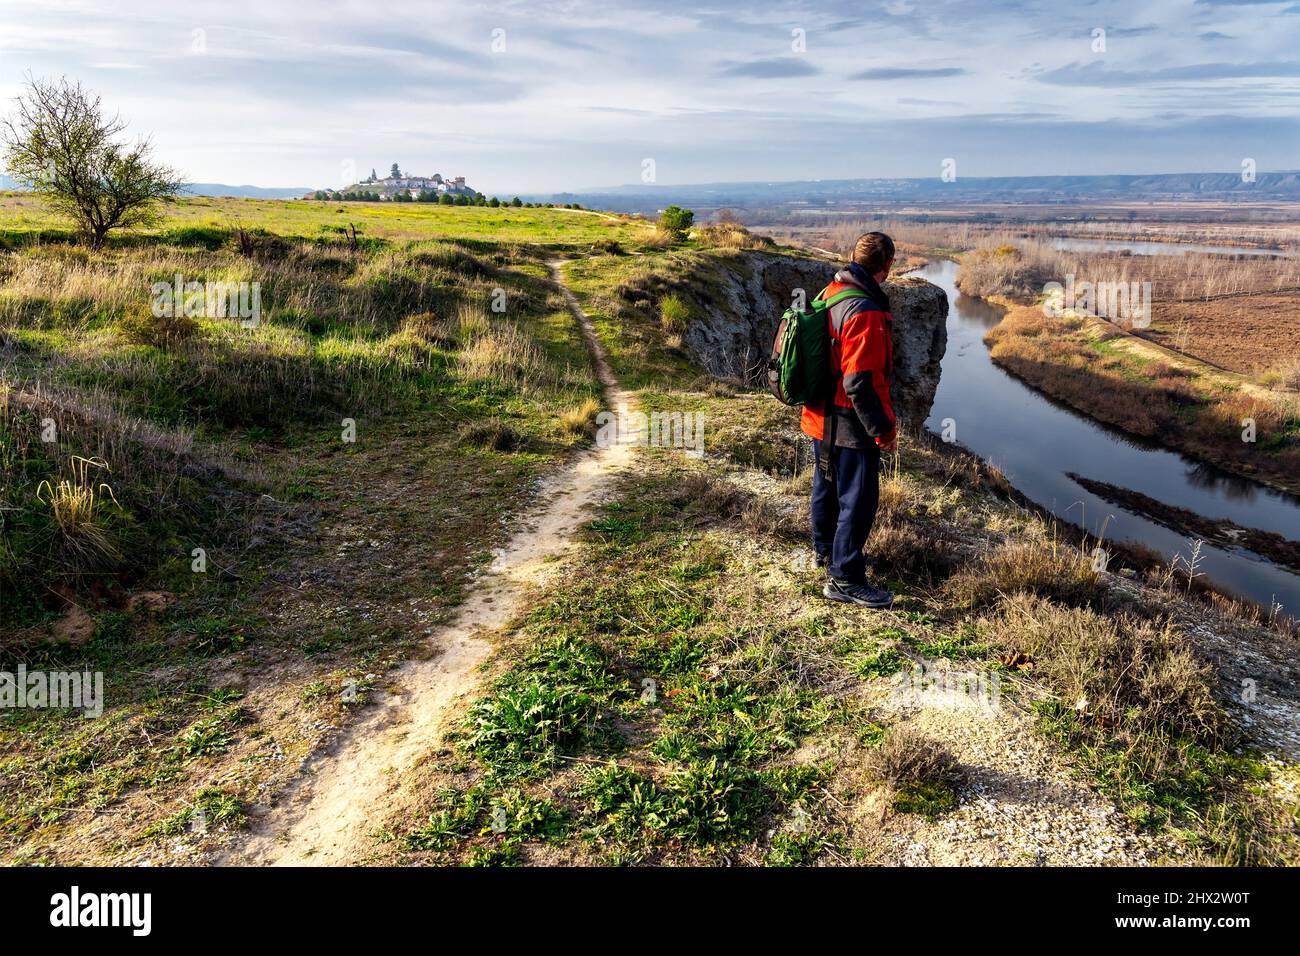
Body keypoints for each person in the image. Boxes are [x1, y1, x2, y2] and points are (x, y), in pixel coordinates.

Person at [801, 232, 897, 608]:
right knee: (858, 500)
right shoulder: (866, 310)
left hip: (819, 416)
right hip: (848, 422)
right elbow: (860, 382)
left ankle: (826, 553)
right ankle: (844, 578)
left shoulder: (830, 292)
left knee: (825, 487)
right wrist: (883, 431)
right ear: (886, 265)